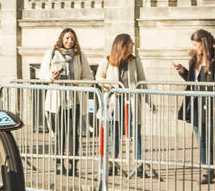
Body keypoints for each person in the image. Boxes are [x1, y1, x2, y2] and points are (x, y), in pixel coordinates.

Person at [174, 29, 215, 184]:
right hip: (194, 104)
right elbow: (193, 82)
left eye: (196, 44)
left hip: (210, 104)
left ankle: (208, 170)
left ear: (204, 43)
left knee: (208, 137)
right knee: (201, 139)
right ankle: (207, 168)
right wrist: (183, 72)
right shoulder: (194, 59)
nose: (194, 48)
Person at [40, 27, 92, 175]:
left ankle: (72, 165)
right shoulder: (51, 53)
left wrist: (79, 83)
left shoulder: (80, 55)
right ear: (62, 39)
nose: (69, 41)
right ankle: (58, 164)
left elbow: (89, 76)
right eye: (67, 38)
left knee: (73, 134)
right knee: (59, 134)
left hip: (74, 101)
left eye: (72, 39)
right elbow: (41, 74)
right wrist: (51, 76)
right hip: (56, 102)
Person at [100, 33, 150, 176]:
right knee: (114, 134)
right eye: (130, 45)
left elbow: (143, 82)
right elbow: (98, 76)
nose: (132, 48)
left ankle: (139, 165)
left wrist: (149, 102)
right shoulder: (108, 61)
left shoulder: (135, 62)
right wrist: (107, 84)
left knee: (136, 134)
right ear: (121, 46)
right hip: (115, 102)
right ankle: (112, 164)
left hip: (132, 101)